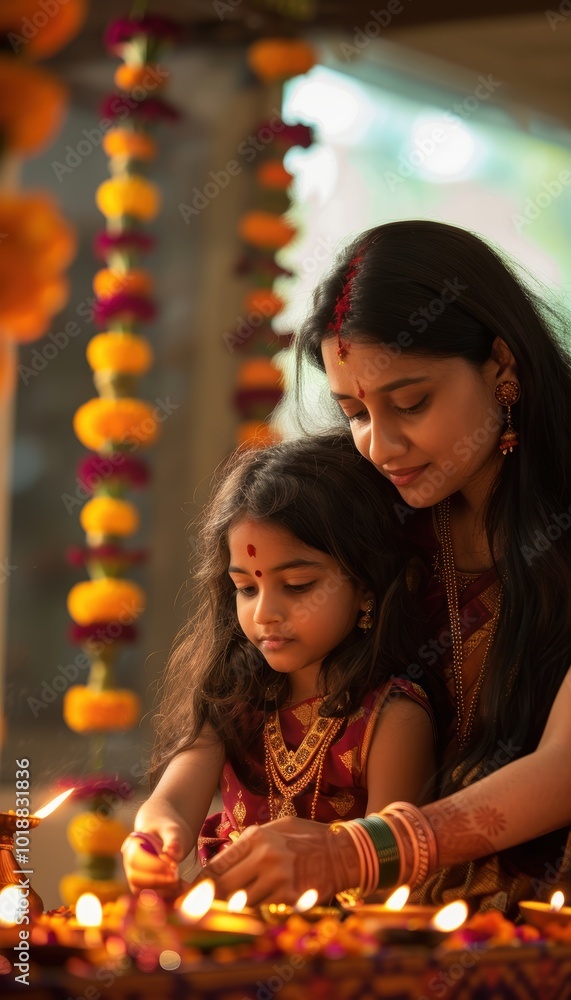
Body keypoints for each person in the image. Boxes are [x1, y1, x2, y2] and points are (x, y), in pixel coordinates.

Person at [202, 220, 571, 914]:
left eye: (409, 403)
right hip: (397, 918)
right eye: (353, 412)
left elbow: (562, 767)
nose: (381, 445)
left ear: (502, 367)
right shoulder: (367, 514)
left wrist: (352, 849)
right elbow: (246, 674)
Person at [122, 434, 437, 893]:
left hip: (339, 949)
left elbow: (393, 869)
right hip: (224, 938)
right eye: (247, 589)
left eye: (298, 585)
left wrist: (327, 851)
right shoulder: (233, 700)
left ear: (367, 585)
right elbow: (170, 803)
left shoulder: (393, 717)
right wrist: (152, 841)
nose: (265, 612)